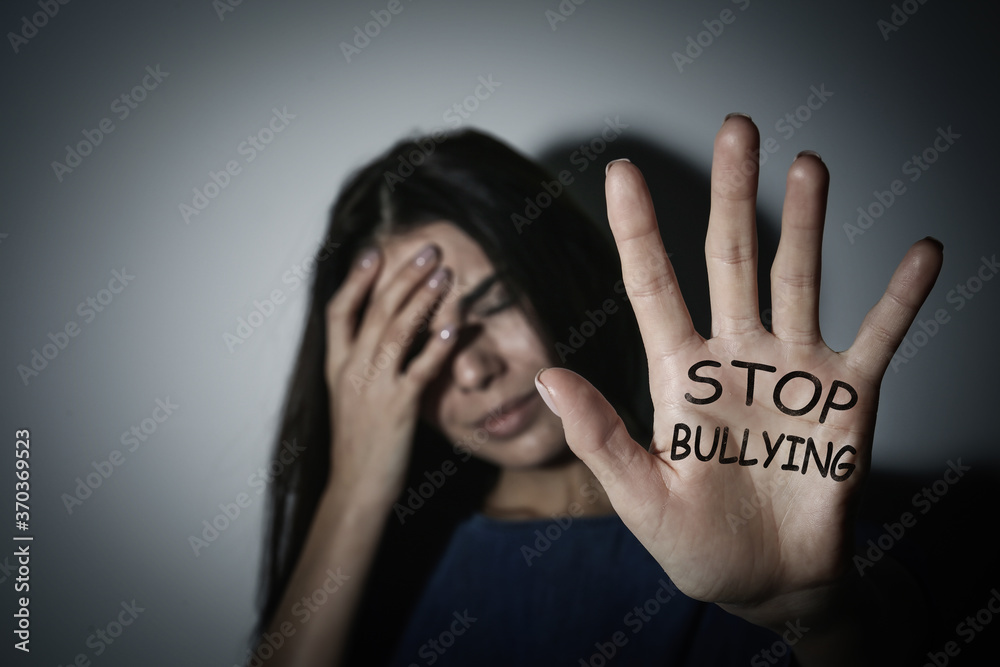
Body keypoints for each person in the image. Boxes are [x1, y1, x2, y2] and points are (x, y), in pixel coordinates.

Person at [249, 115, 941, 666]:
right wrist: (354, 484)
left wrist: (815, 617)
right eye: (415, 345)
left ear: (561, 277)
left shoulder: (804, 525)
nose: (473, 369)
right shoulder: (377, 572)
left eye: (494, 303)